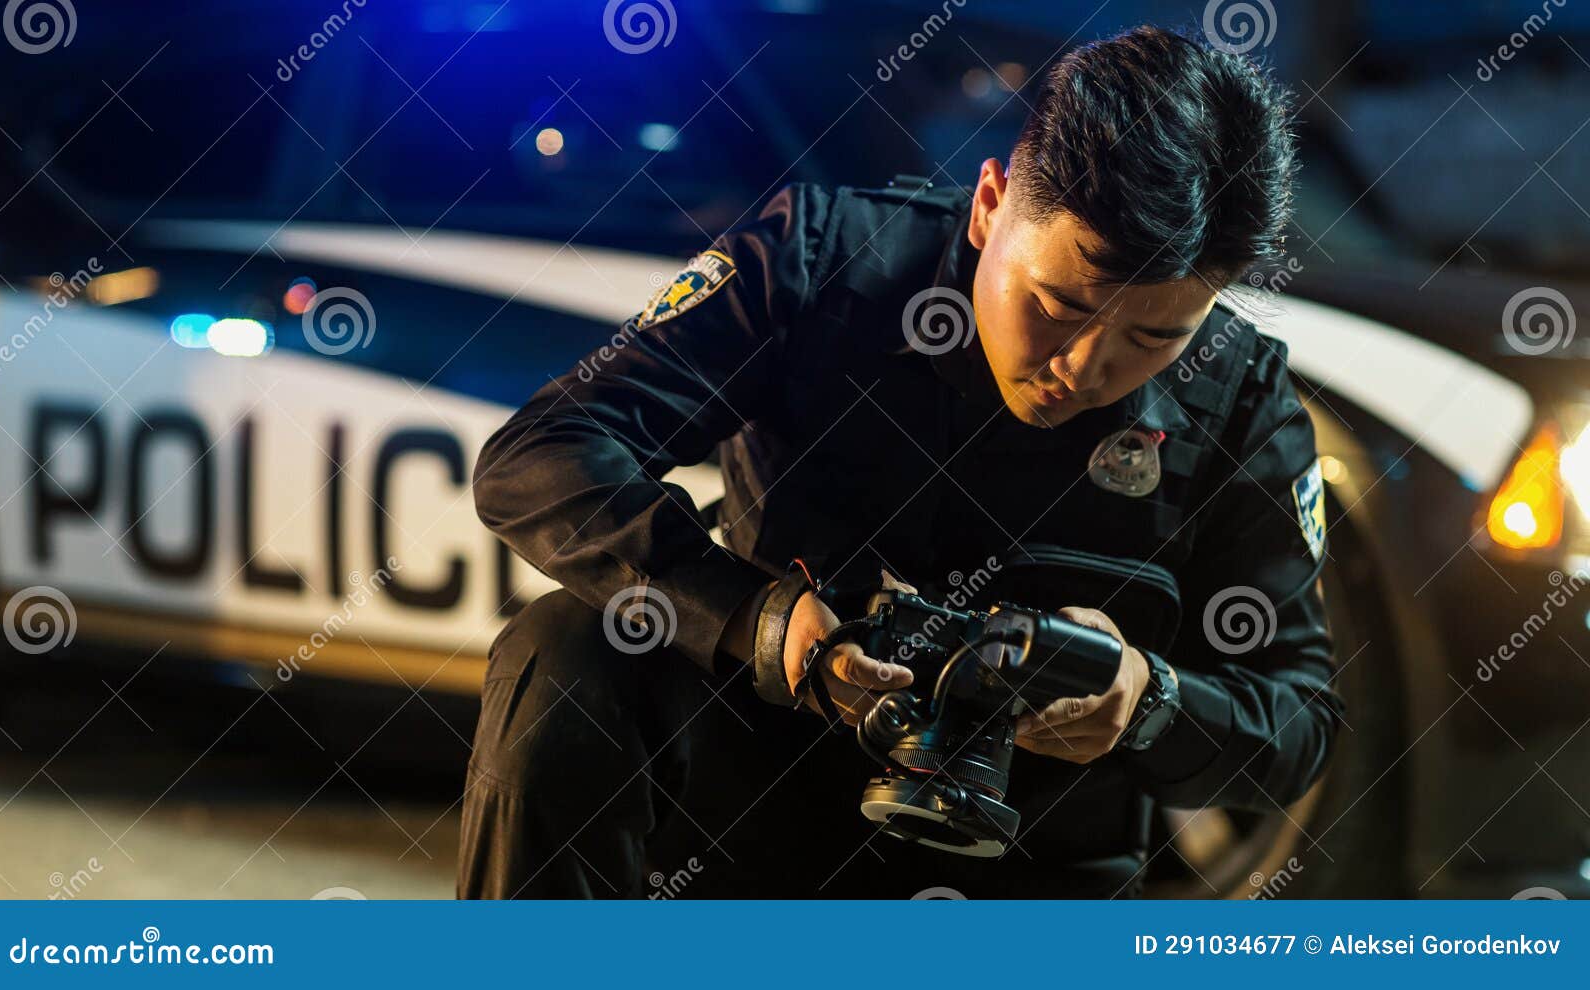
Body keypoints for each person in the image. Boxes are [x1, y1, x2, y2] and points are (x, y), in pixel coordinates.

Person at [457, 25, 1342, 899]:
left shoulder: (1239, 399)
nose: (1083, 367)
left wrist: (1148, 701)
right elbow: (539, 453)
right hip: (754, 833)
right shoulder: (823, 264)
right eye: (1057, 306)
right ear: (990, 204)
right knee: (567, 645)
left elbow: (1301, 720)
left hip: (1036, 879)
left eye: (1151, 339)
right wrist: (752, 618)